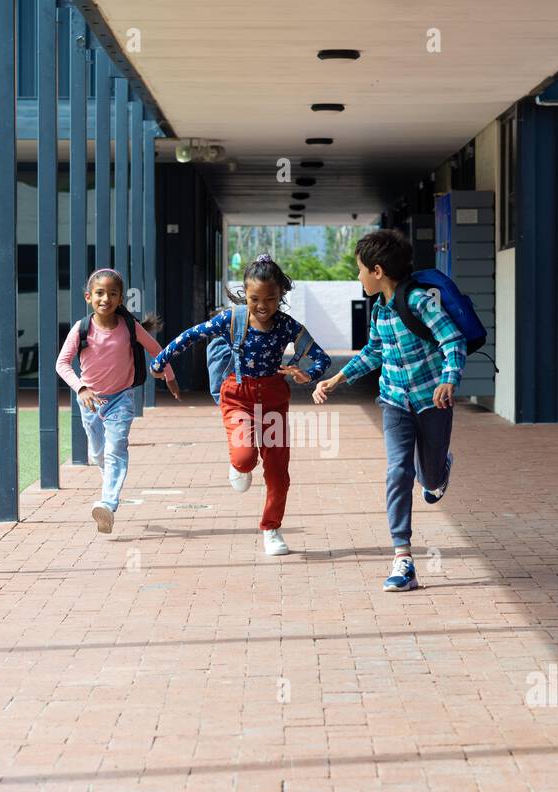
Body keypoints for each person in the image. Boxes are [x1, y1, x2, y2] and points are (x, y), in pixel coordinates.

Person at [149, 254, 331, 556]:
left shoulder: (287, 326)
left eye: (271, 299)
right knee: (246, 458)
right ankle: (239, 465)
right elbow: (191, 335)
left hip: (274, 399)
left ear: (281, 295)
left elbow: (321, 358)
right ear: (245, 295)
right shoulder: (231, 319)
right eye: (254, 298)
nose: (262, 306)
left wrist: (306, 373)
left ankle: (272, 529)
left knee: (278, 472)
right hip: (238, 396)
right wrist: (160, 360)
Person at [313, 230, 463, 591]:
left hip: (432, 402)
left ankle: (439, 470)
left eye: (360, 269)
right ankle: (403, 558)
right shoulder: (380, 311)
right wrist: (337, 380)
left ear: (377, 270)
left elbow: (452, 339)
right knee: (397, 471)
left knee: (427, 476)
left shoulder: (420, 303)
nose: (358, 277)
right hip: (394, 401)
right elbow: (373, 353)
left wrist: (449, 379)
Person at [55, 267, 179, 534]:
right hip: (90, 401)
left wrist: (168, 375)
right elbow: (62, 364)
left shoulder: (129, 327)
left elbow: (157, 350)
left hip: (121, 398)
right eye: (99, 293)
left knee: (116, 449)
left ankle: (108, 505)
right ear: (88, 297)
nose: (105, 299)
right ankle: (108, 483)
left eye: (112, 294)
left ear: (120, 299)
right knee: (98, 453)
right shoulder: (81, 329)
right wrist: (81, 388)